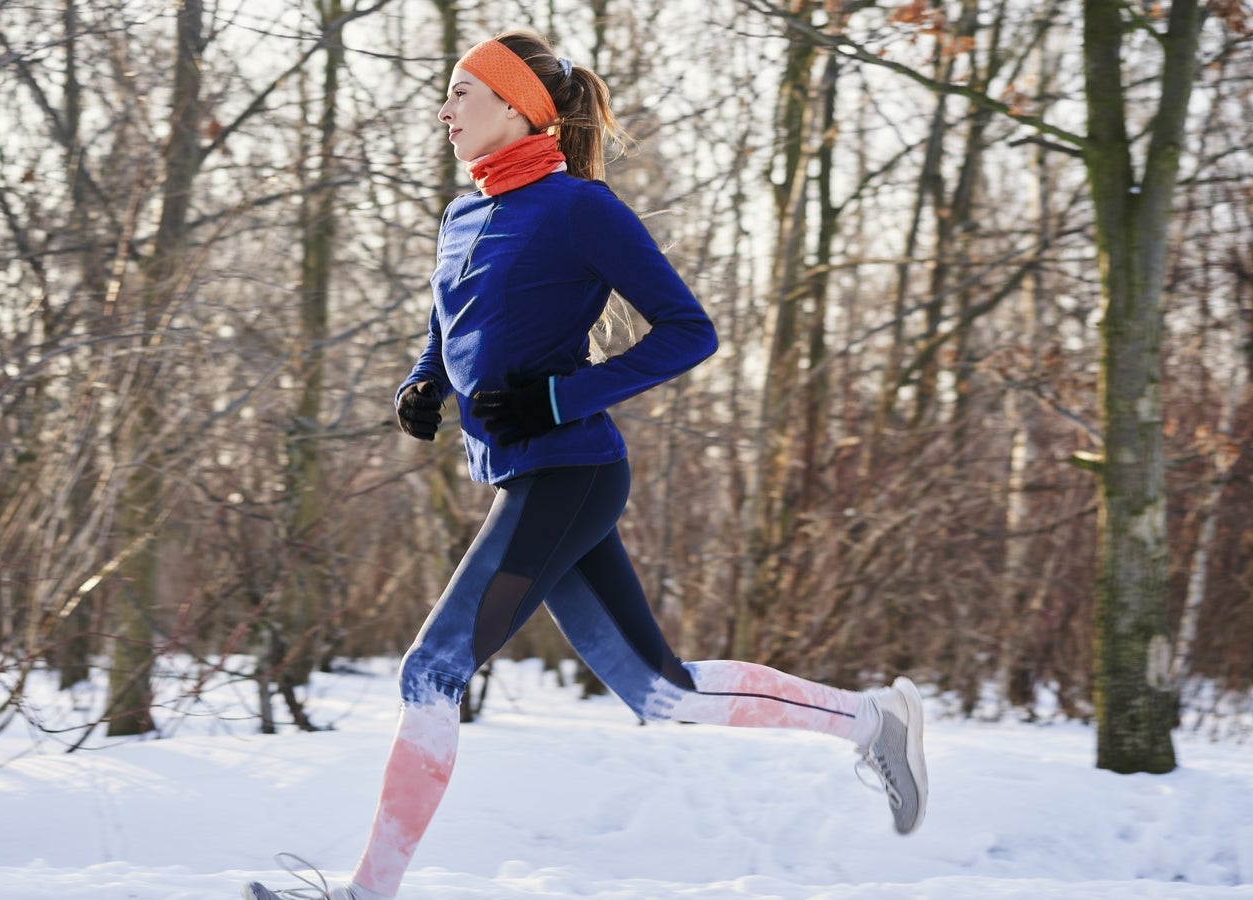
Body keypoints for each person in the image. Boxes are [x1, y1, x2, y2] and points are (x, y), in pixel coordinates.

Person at [243, 29, 927, 900]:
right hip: (525, 479)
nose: (444, 108)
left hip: (571, 469)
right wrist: (424, 384)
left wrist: (564, 399)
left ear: (518, 106)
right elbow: (446, 324)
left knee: (431, 669)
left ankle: (366, 894)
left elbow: (691, 331)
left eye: (462, 92)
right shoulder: (463, 213)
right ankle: (873, 721)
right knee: (661, 695)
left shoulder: (580, 208)